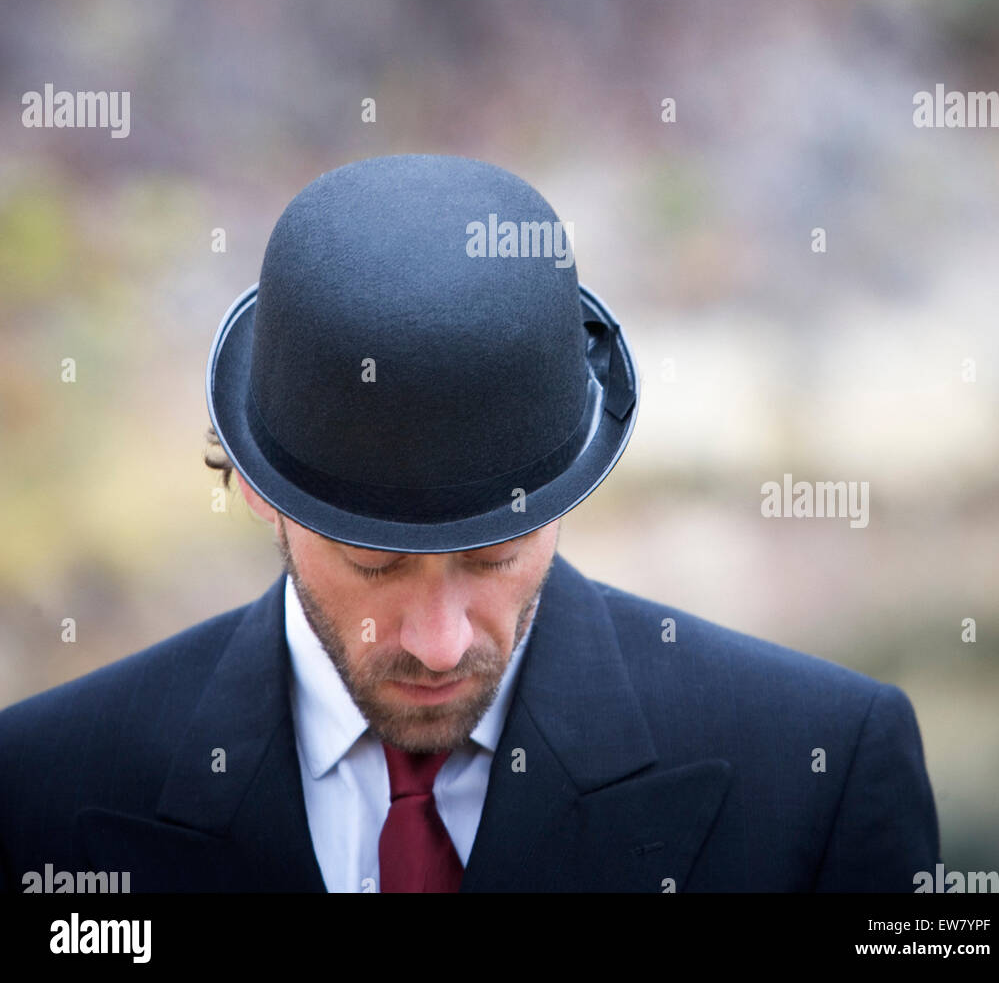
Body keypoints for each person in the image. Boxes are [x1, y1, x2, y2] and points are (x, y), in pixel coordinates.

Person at [0, 154, 939, 893]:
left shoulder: (823, 771)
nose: (440, 645)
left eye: (494, 558)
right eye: (373, 563)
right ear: (256, 492)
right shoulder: (36, 787)